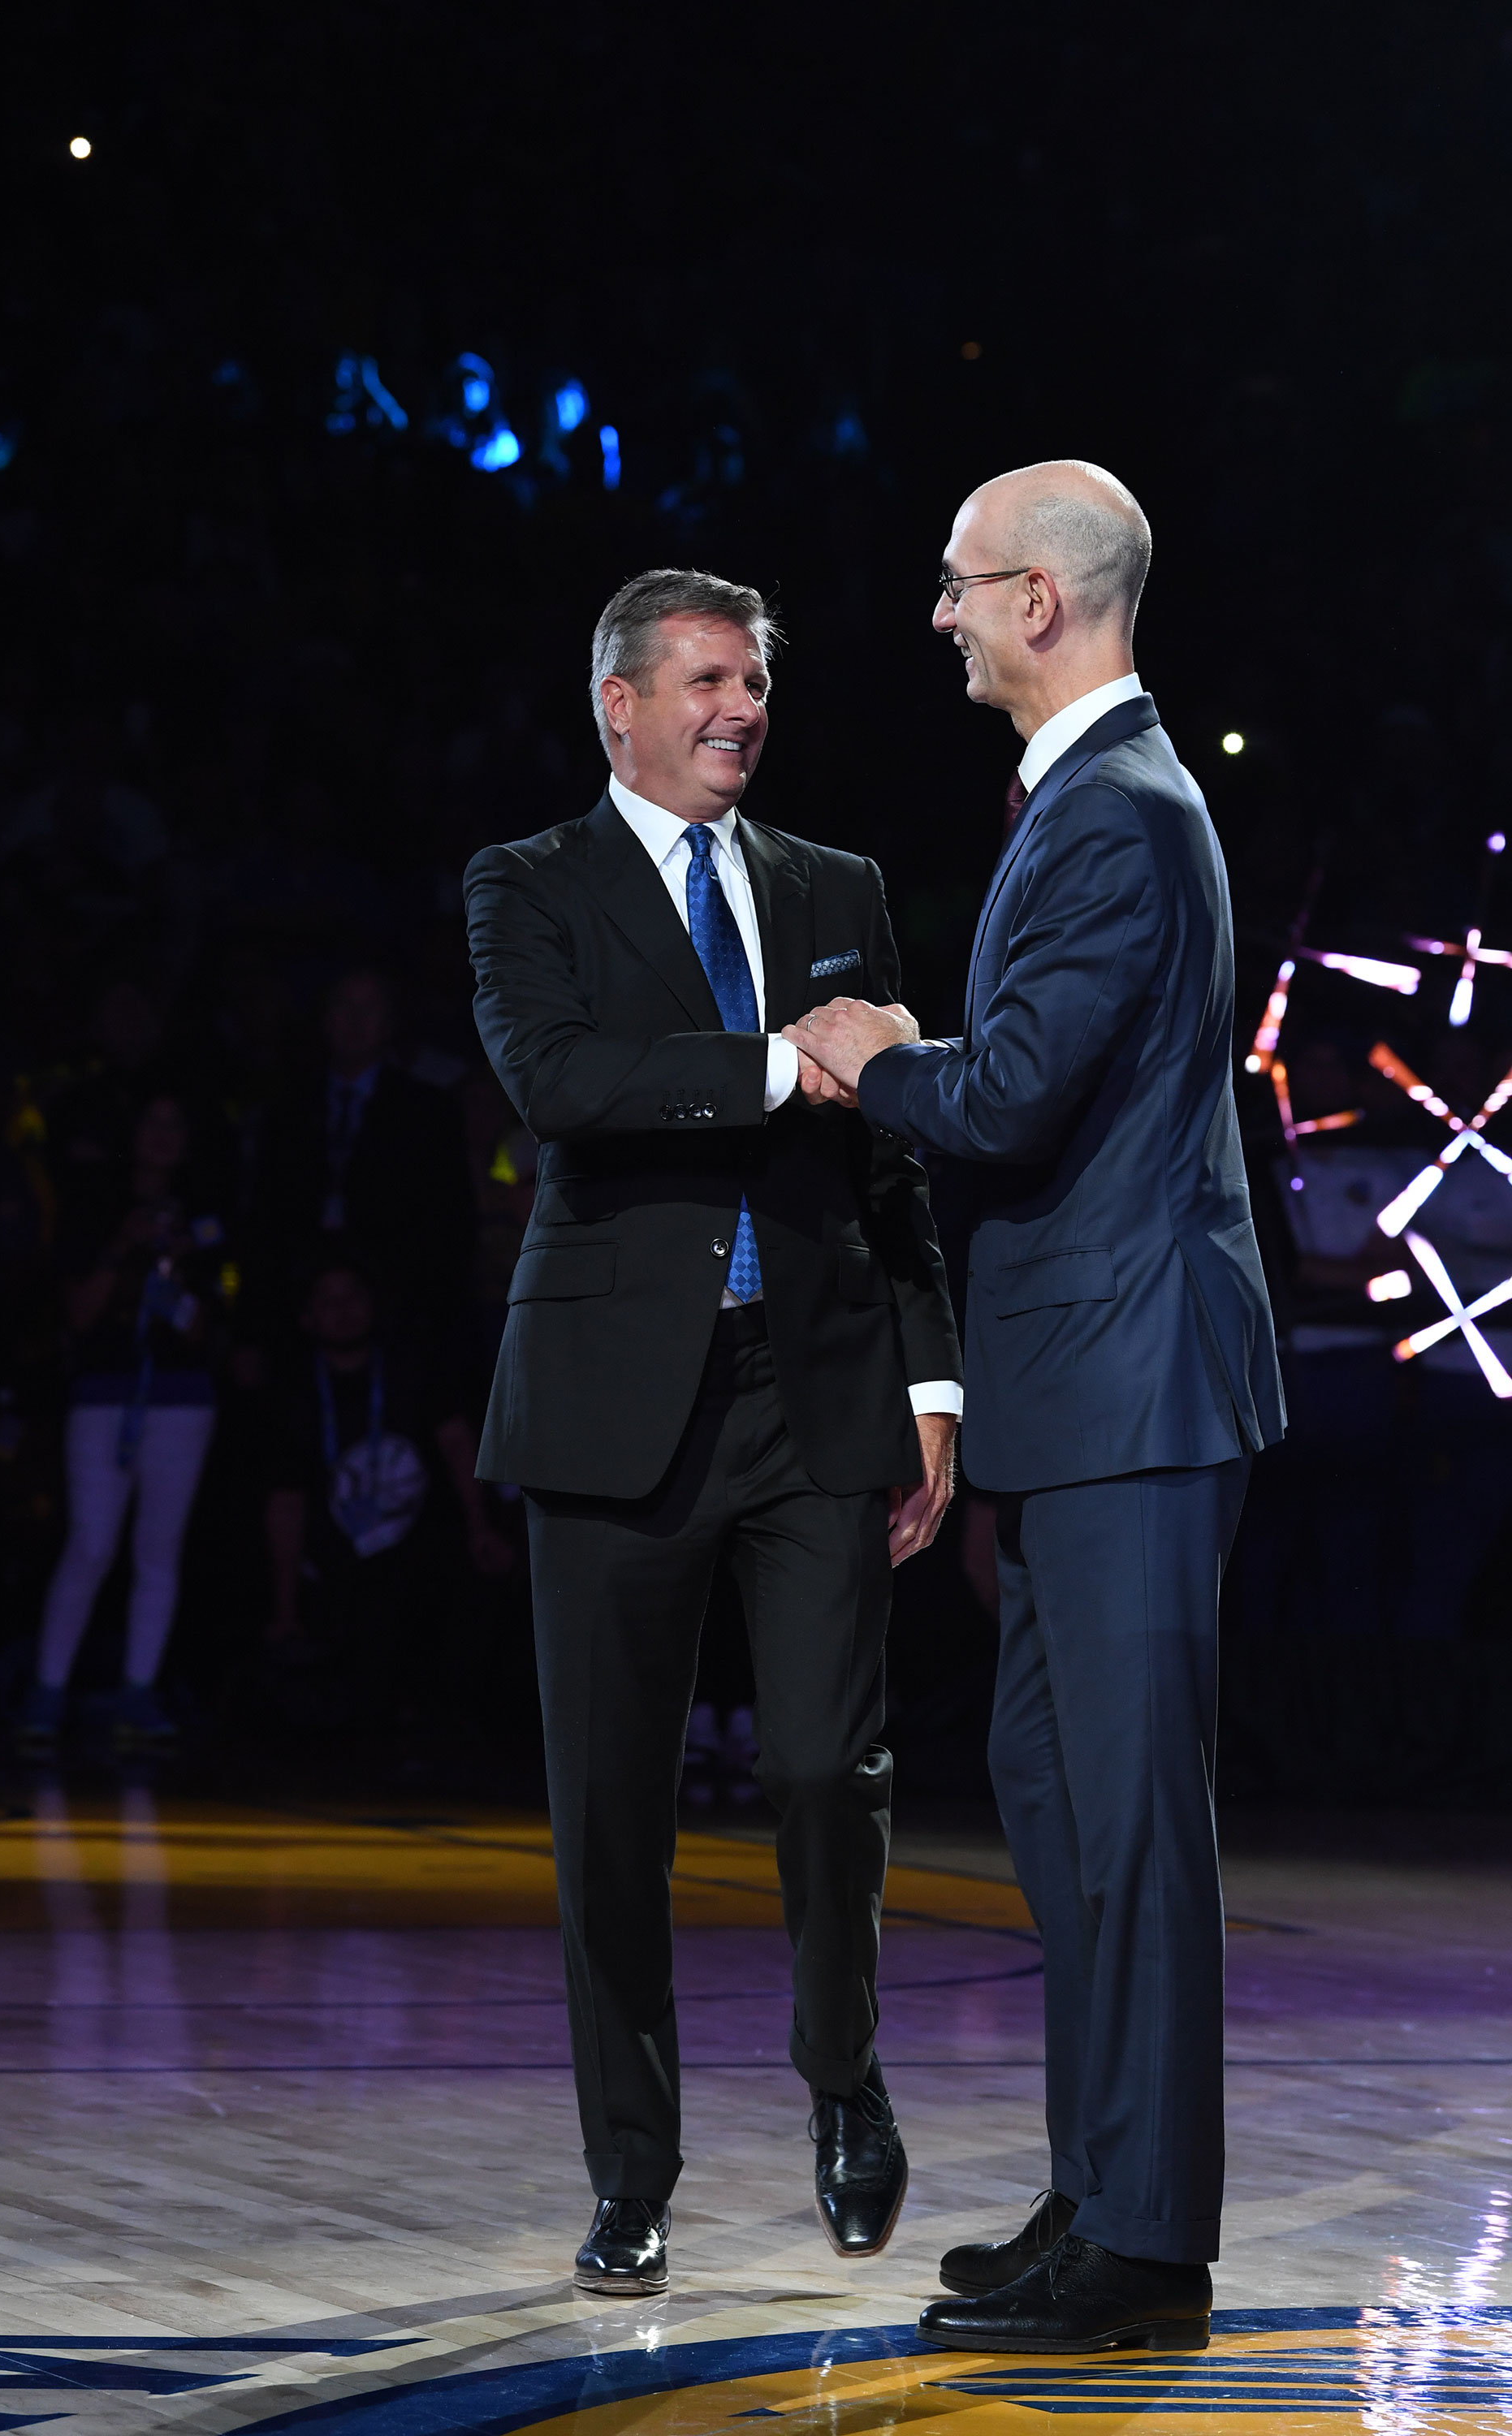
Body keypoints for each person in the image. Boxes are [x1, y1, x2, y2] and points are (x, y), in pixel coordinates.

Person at [788, 463, 1286, 2355]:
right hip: (1085, 1389)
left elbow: (1003, 1098)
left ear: (1042, 605)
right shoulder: (1088, 801)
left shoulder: (1118, 813)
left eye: (955, 585)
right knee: (1062, 1800)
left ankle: (1147, 2237)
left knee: (1128, 1815)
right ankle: (1100, 2191)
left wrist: (875, 1055)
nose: (934, 615)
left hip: (1135, 1385)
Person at [464, 568, 963, 2297]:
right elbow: (561, 1082)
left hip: (814, 1394)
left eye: (753, 680)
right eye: (703, 680)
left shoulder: (840, 888)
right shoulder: (523, 885)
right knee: (611, 1814)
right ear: (620, 702)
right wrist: (773, 1063)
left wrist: (931, 1383)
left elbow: (889, 1157)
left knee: (832, 1770)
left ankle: (845, 2083)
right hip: (613, 1412)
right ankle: (631, 2174)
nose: (737, 707)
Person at [19, 1091, 228, 1754]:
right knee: (91, 1543)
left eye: (177, 1122)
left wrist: (176, 1275)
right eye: (152, 1120)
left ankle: (138, 1693)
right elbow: (78, 1314)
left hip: (182, 1396)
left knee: (159, 1550)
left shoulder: (207, 1216)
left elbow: (207, 1325)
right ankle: (46, 1693)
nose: (164, 1135)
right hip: (104, 1394)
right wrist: (122, 1245)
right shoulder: (91, 1206)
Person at [263, 1256, 512, 1731]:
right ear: (307, 1318)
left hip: (420, 1549)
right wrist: (285, 1607)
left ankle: (451, 1728)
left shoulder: (411, 1363)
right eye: (328, 1301)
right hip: (339, 1563)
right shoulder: (293, 1391)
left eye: (353, 1295)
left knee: (483, 1589)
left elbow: (458, 1441)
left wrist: (481, 1525)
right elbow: (285, 1503)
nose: (345, 1310)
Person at [253, 967, 476, 1361]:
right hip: (297, 1313)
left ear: (390, 1022)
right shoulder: (287, 1109)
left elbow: (447, 1226)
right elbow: (264, 1221)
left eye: (369, 1008)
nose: (355, 1020)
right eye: (344, 1006)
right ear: (324, 1018)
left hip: (399, 1316)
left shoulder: (428, 1110)